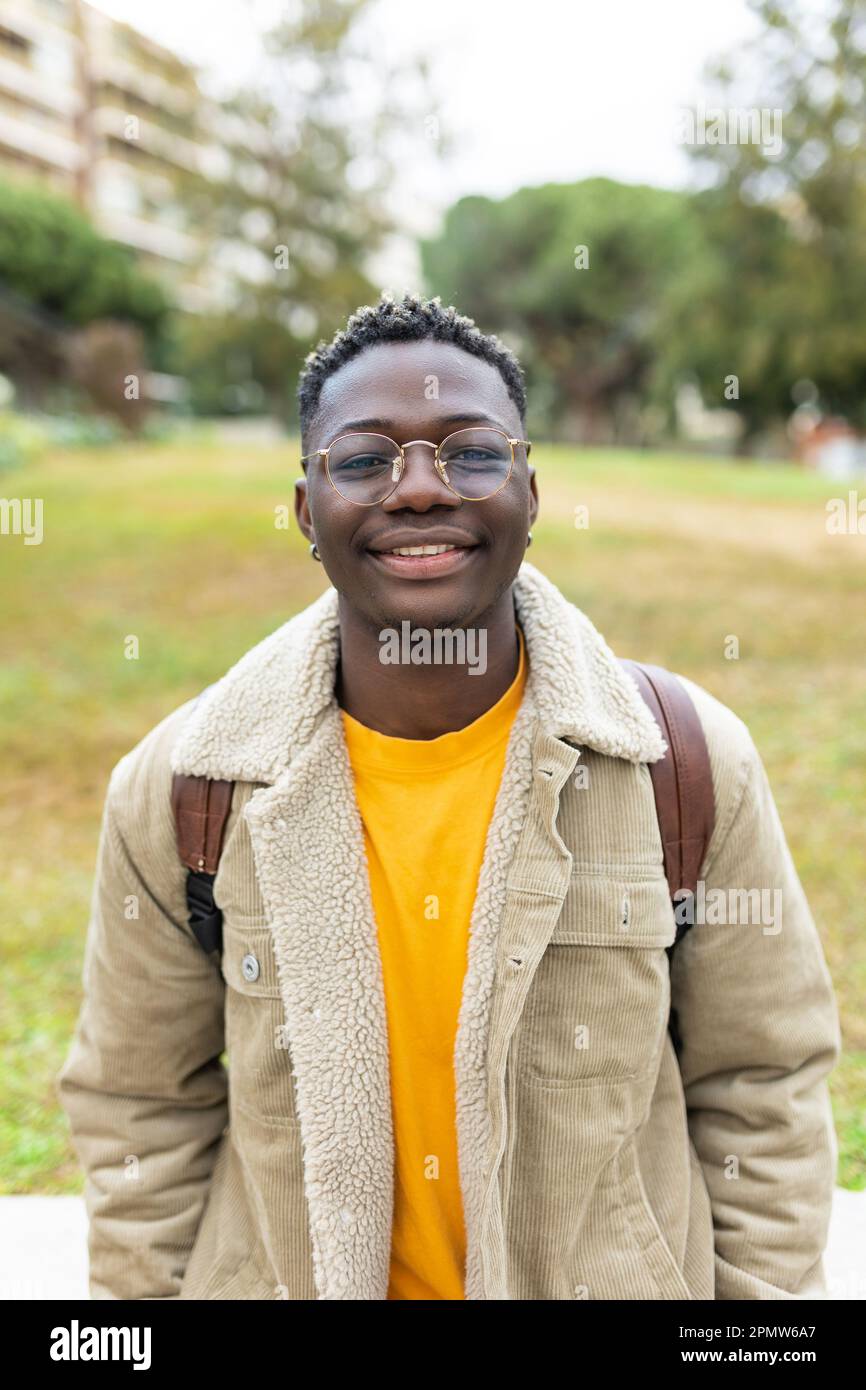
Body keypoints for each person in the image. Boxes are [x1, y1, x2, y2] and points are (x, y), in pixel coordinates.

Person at [57, 292, 840, 1301]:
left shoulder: (681, 761)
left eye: (469, 453)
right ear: (307, 509)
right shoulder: (183, 791)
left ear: (528, 490)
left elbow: (761, 1084)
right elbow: (137, 1108)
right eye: (363, 458)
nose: (419, 489)